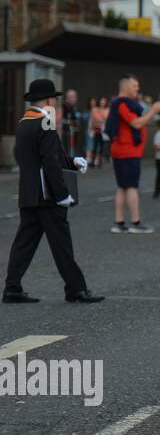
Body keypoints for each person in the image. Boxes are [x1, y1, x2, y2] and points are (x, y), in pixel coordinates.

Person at [3, 79, 103, 305]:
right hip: (47, 195)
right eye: (55, 100)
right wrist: (61, 194)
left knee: (24, 243)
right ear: (49, 100)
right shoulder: (45, 123)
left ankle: (12, 288)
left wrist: (70, 161)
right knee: (61, 243)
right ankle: (76, 289)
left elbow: (34, 156)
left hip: (29, 193)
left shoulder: (23, 123)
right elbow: (49, 162)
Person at [106, 74, 160, 233]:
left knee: (122, 187)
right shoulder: (122, 104)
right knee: (131, 187)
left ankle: (119, 223)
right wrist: (153, 110)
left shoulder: (120, 103)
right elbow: (136, 123)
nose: (137, 89)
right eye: (134, 86)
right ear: (125, 87)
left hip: (122, 150)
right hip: (127, 151)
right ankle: (136, 222)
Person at [88, 97, 109, 168]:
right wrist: (90, 129)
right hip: (96, 129)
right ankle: (92, 161)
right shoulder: (94, 109)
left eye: (104, 101)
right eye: (101, 101)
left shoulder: (107, 110)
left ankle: (99, 161)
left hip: (103, 130)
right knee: (95, 145)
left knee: (102, 146)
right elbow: (91, 120)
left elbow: (107, 120)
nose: (102, 102)